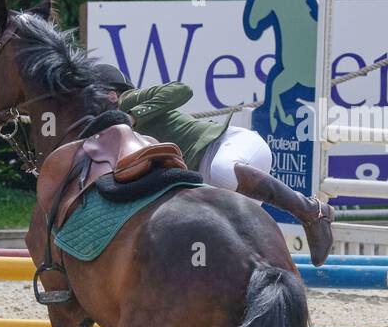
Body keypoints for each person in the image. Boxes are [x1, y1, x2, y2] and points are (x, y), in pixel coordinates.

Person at [112, 79, 334, 264]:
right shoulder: (106, 138)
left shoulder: (126, 102)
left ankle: (311, 211)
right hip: (209, 185)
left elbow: (181, 90)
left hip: (229, 148)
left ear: (113, 94)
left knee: (222, 172)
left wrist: (132, 116)